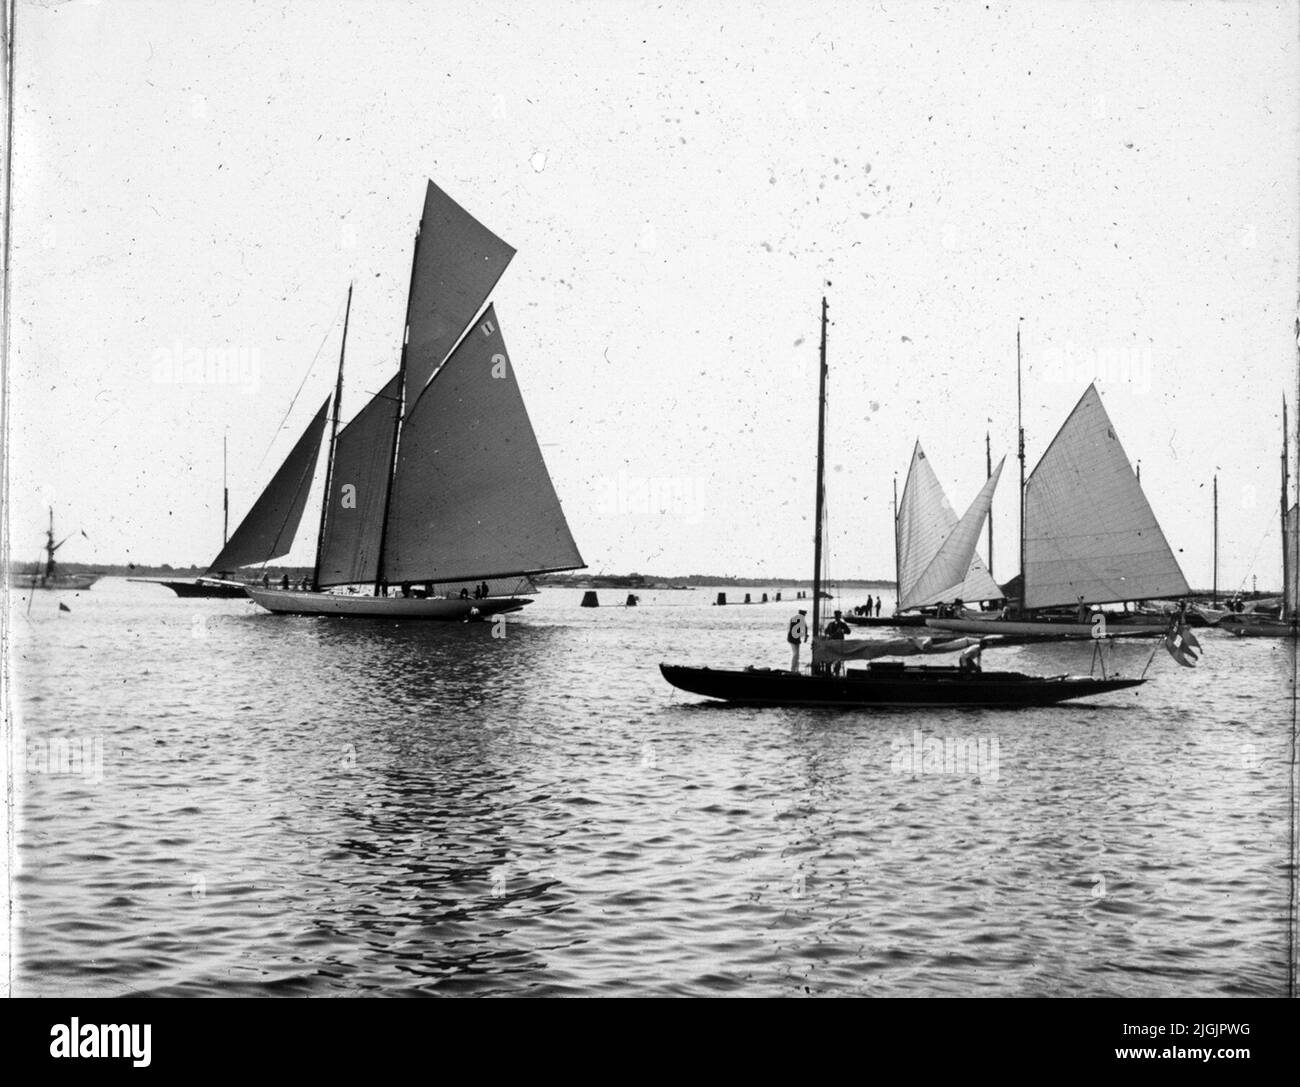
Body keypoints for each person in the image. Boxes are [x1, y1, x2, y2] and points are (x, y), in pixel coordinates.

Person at [787, 608, 808, 673]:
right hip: (793, 639)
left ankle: (795, 669)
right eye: (804, 614)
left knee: (796, 654)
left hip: (793, 638)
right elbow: (805, 628)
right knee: (796, 654)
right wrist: (805, 637)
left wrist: (805, 636)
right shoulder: (800, 619)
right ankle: (793, 669)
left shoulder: (795, 618)